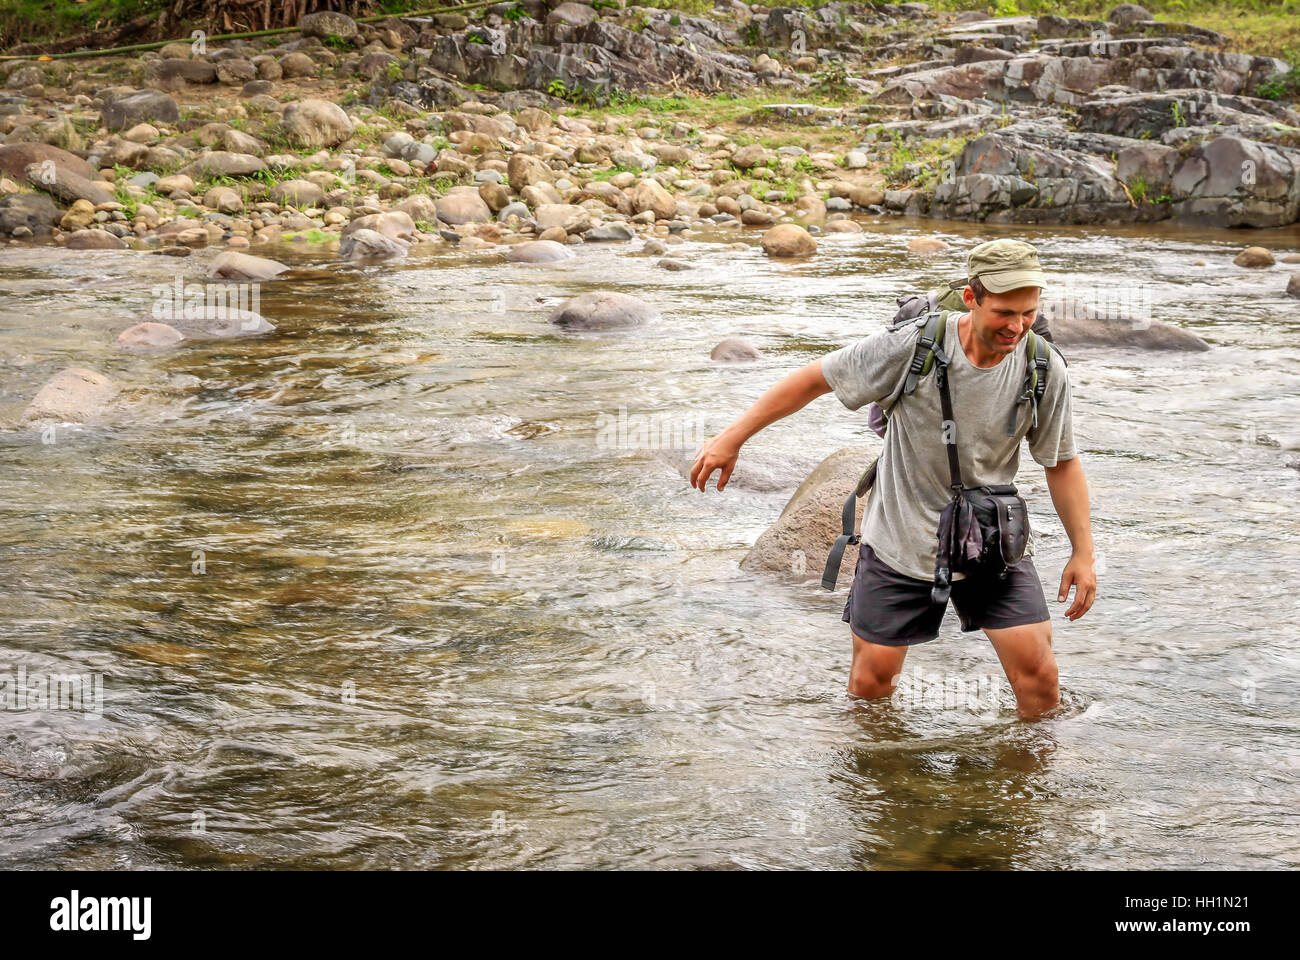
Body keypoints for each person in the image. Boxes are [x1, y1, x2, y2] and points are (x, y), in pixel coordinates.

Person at [690, 239, 1096, 719]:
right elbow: (813, 379)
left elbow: (1061, 462)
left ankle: (1031, 788)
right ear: (972, 298)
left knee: (1041, 681)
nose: (1017, 326)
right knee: (870, 687)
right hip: (901, 536)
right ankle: (877, 787)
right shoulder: (912, 346)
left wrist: (1082, 551)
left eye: (1028, 313)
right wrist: (730, 439)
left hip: (987, 539)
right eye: (1005, 312)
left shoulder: (1042, 365)